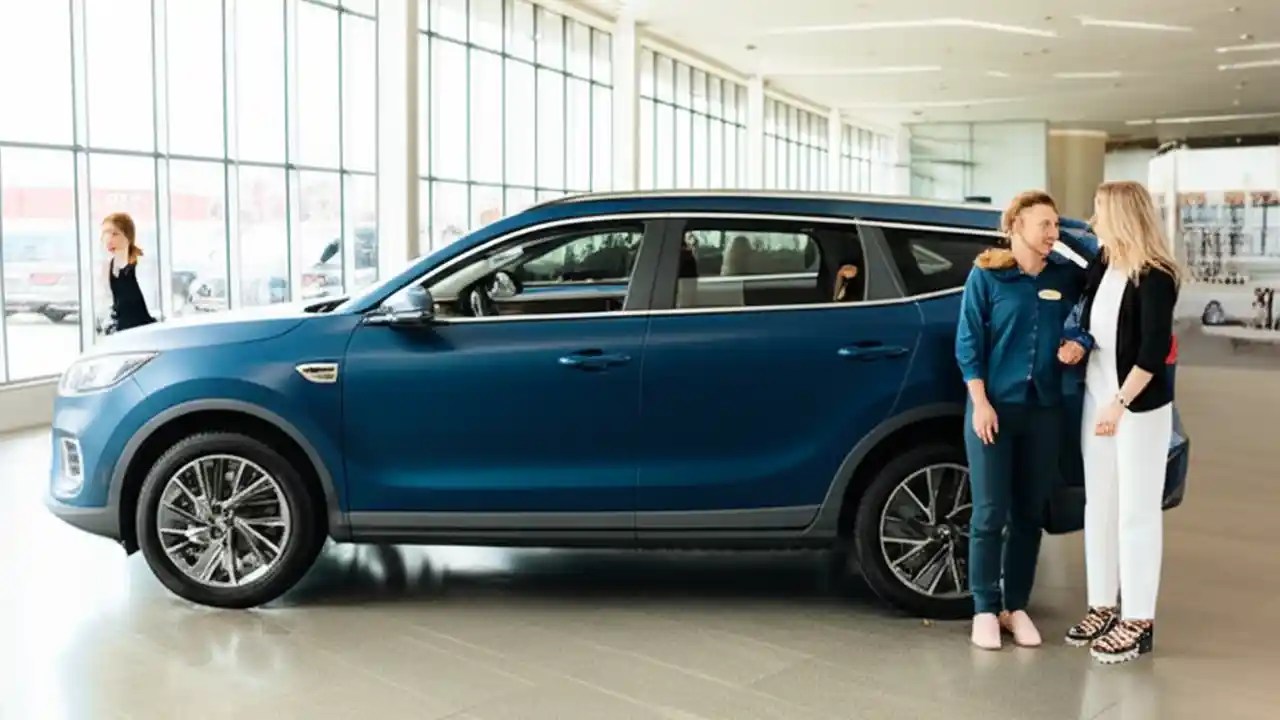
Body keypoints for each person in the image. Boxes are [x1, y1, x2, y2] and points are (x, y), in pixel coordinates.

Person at [955, 190, 1092, 650]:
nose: (1053, 234)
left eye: (1057, 225)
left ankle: (1016, 606)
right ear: (1015, 226)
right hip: (994, 409)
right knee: (990, 512)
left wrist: (1080, 342)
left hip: (1045, 411)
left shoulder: (1065, 276)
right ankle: (984, 608)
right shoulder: (988, 276)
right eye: (1045, 225)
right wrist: (980, 403)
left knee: (1029, 514)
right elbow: (968, 343)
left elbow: (1094, 303)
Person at [1058, 181, 1180, 664]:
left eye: (1100, 211)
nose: (1092, 221)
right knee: (1100, 506)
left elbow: (1152, 352)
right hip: (1098, 398)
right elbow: (1089, 320)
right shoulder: (1105, 264)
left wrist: (1119, 404)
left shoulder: (1156, 276)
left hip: (1138, 407)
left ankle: (1138, 620)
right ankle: (1103, 605)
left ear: (1125, 217)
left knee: (1136, 512)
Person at [101, 212, 156, 333]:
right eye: (105, 233)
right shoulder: (109, 265)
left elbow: (150, 304)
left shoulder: (140, 264)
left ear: (128, 236)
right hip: (123, 332)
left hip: (143, 330)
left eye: (115, 234)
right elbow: (111, 301)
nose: (109, 238)